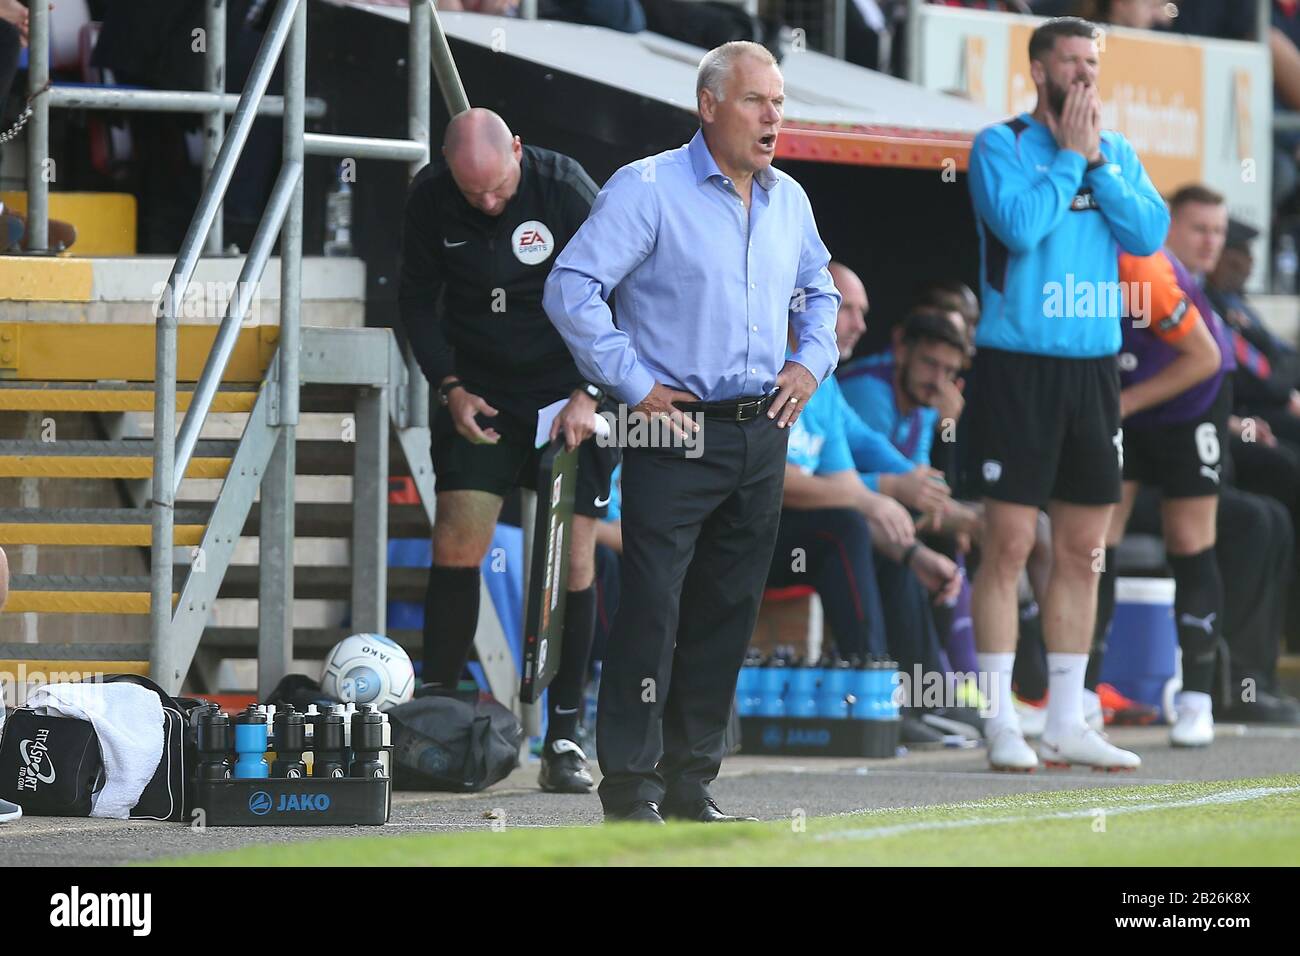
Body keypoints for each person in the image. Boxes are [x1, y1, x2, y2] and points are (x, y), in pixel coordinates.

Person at [544, 40, 839, 823]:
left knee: (726, 612)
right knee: (652, 609)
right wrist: (634, 386)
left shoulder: (791, 200)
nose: (773, 115)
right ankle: (630, 788)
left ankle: (690, 783)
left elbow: (821, 293)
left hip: (760, 428)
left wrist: (809, 362)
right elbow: (571, 286)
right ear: (709, 105)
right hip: (670, 431)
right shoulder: (647, 189)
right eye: (756, 100)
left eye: (779, 101)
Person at [966, 16, 1168, 771]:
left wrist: (1099, 167)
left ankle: (1065, 718)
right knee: (1011, 544)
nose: (1085, 73)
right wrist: (1067, 161)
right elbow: (1018, 228)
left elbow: (1147, 234)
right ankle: (998, 721)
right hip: (1018, 365)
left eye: (1093, 60)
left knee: (1084, 551)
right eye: (1072, 61)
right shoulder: (1000, 144)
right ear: (1040, 70)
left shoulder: (1113, 153)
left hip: (1092, 370)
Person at [398, 108, 618, 795]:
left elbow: (625, 290)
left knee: (571, 562)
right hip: (484, 392)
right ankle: (435, 715)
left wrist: (591, 391)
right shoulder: (431, 197)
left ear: (518, 150)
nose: (488, 204)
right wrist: (450, 387)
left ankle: (563, 737)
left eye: (497, 190)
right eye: (474, 196)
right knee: (457, 541)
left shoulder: (566, 188)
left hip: (566, 390)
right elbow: (412, 301)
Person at [1094, 187, 1232, 748]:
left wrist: (1121, 407)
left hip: (1188, 406)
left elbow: (1207, 359)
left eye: (1218, 232)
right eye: (1200, 228)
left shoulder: (1154, 274)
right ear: (1169, 225)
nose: (1211, 242)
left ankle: (1197, 697)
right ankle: (1081, 689)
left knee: (1189, 543)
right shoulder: (1109, 262)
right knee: (1098, 541)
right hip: (1128, 404)